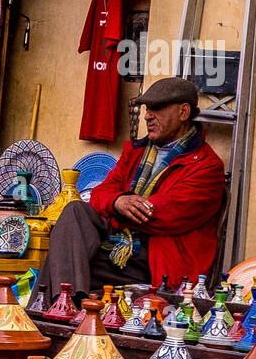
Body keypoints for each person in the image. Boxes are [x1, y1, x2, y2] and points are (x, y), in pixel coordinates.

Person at [34, 77, 225, 304]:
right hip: (120, 246)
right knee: (75, 211)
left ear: (183, 112)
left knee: (61, 262)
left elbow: (159, 215)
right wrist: (118, 202)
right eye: (147, 108)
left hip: (156, 262)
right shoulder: (135, 151)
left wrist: (114, 206)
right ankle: (67, 305)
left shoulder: (207, 166)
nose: (147, 116)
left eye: (157, 108)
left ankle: (53, 312)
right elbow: (101, 192)